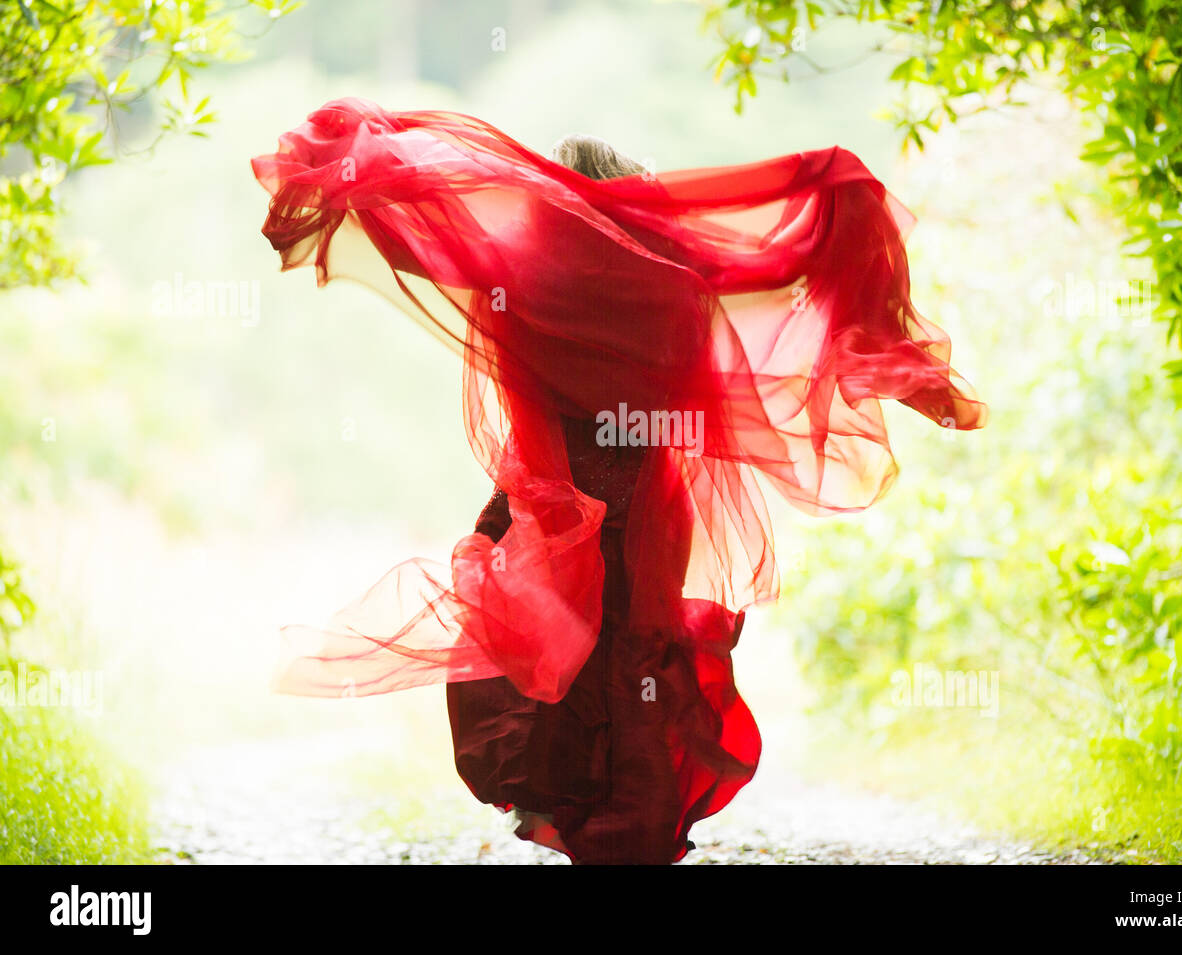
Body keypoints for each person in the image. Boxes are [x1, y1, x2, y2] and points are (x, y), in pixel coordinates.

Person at [252, 98, 986, 865]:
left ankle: (569, 808)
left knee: (553, 662)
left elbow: (430, 244)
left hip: (544, 504)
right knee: (635, 663)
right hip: (641, 513)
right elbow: (755, 304)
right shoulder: (671, 287)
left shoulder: (522, 281)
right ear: (627, 197)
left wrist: (354, 174)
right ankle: (624, 829)